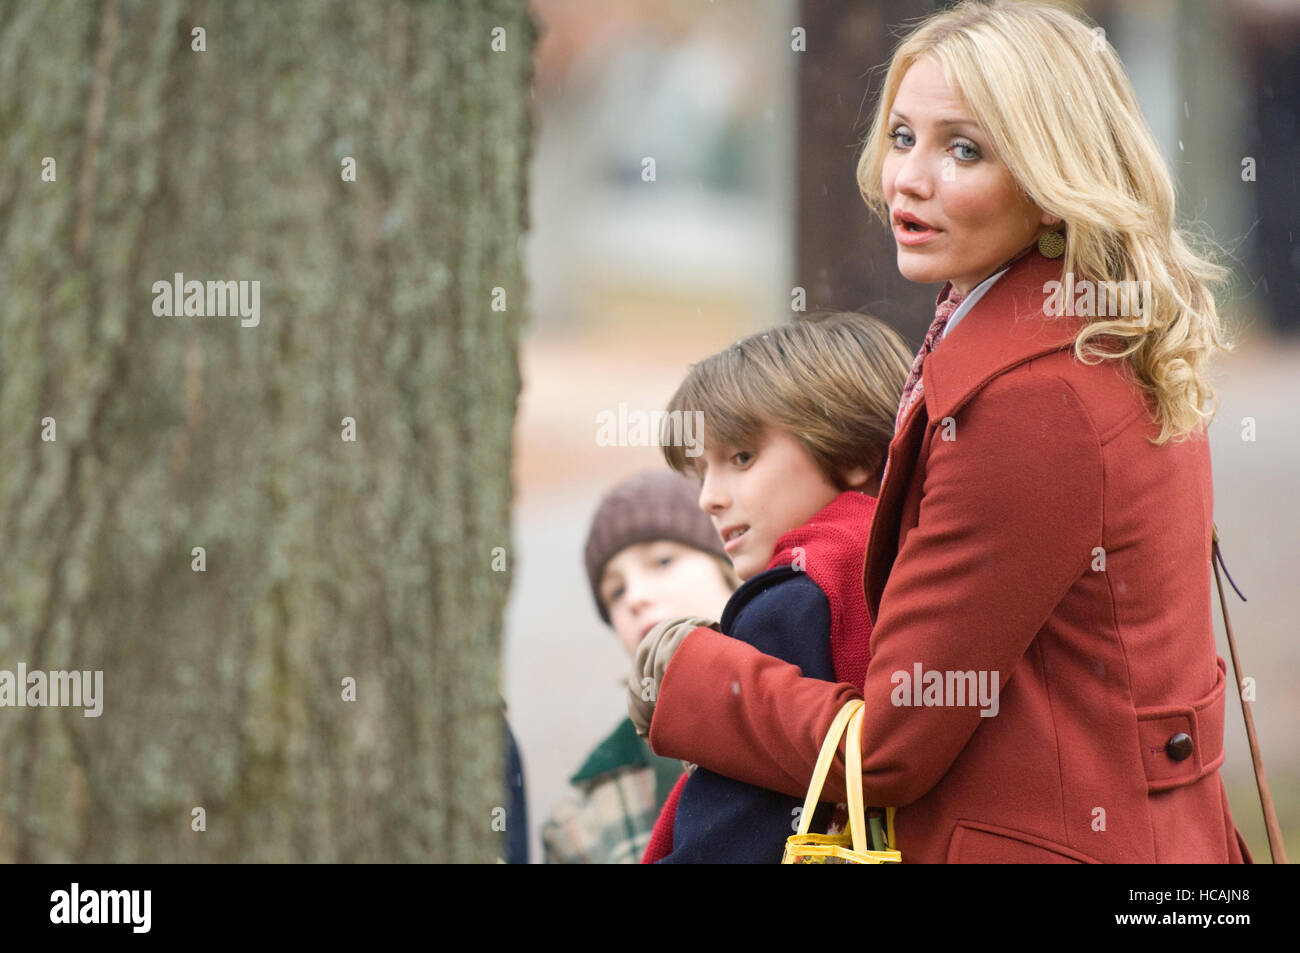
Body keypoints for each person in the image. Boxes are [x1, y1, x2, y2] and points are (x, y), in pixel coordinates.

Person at [631, 0, 1251, 863]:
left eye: (963, 148)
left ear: (1050, 181)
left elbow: (891, 746)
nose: (908, 180)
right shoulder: (1082, 331)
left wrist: (695, 673)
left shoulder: (1034, 400)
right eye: (901, 137)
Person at [634, 313, 911, 863]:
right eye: (700, 471)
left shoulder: (793, 598)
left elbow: (730, 837)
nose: (709, 498)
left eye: (741, 457)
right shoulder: (919, 560)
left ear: (854, 452)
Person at [540, 469, 738, 863]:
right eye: (616, 590)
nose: (635, 597)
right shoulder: (581, 826)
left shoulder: (829, 701)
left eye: (662, 560)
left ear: (730, 566)